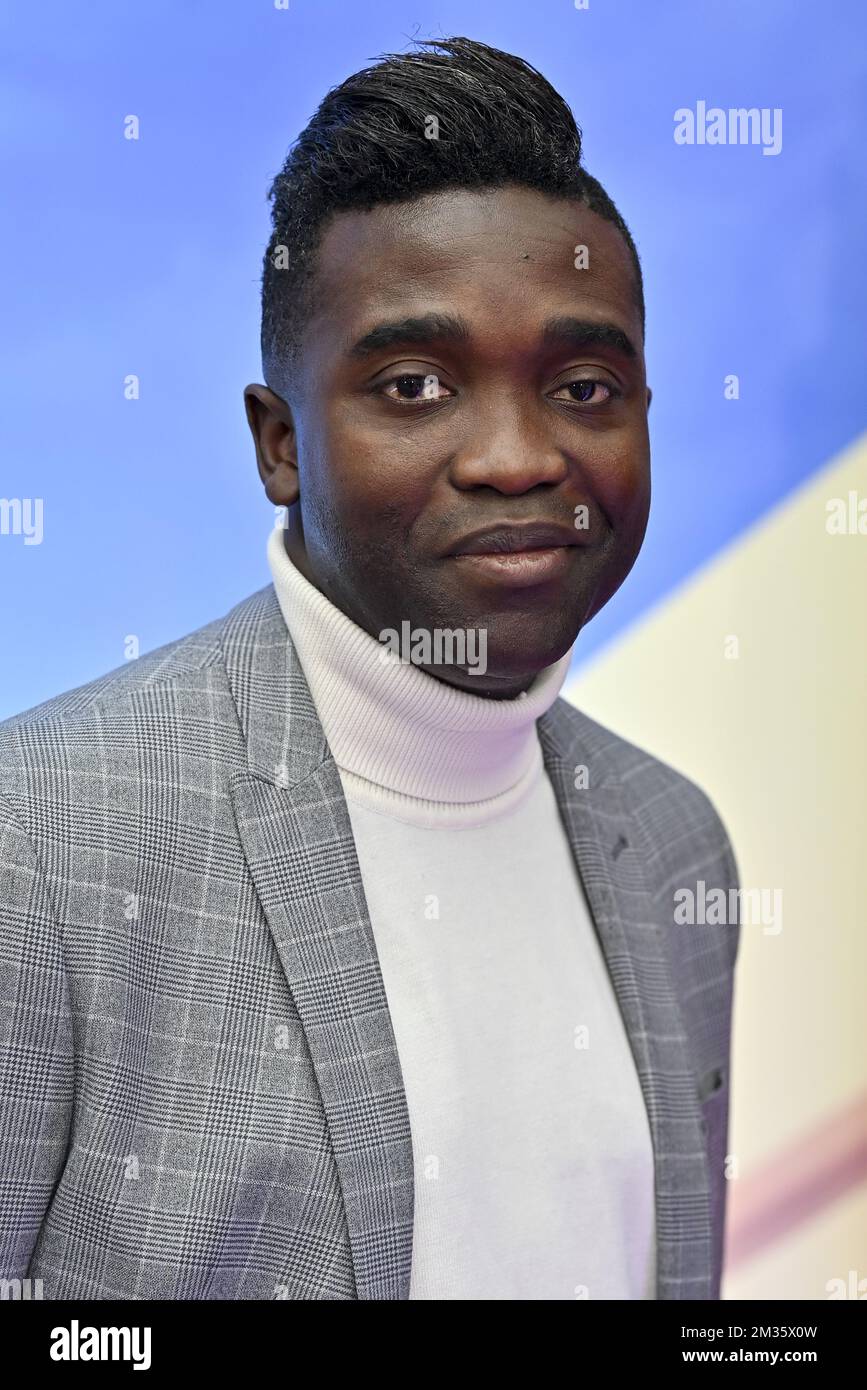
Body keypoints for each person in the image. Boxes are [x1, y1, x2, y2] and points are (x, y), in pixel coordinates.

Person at [0, 36, 740, 1300]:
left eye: (582, 383)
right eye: (414, 383)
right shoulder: (42, 838)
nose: (518, 457)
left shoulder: (678, 847)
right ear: (280, 445)